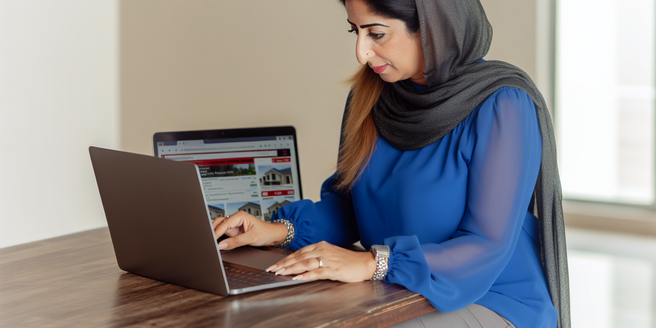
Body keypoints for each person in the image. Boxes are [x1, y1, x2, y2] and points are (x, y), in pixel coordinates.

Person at [213, 0, 571, 327]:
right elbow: (351, 207)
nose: (361, 52)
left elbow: (486, 244)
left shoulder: (502, 103)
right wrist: (276, 230)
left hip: (492, 297)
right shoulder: (370, 96)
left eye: (377, 33)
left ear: (435, 27)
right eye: (355, 30)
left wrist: (373, 262)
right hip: (394, 288)